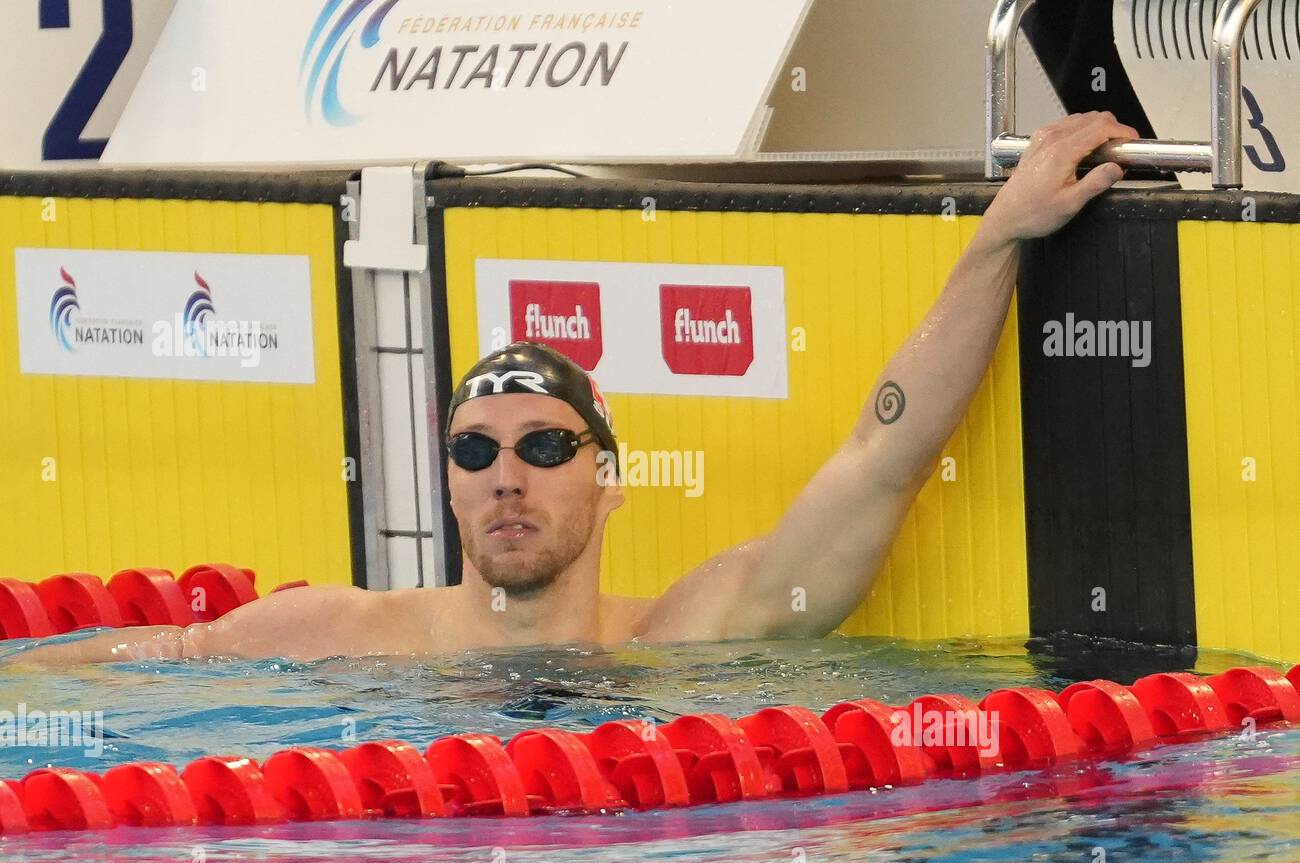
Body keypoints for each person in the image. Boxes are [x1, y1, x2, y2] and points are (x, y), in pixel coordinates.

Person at [9, 112, 1138, 666]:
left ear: (610, 482)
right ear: (447, 488)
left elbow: (881, 455)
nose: (506, 475)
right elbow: (125, 666)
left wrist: (998, 240)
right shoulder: (338, 635)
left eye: (546, 448)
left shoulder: (698, 632)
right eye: (474, 451)